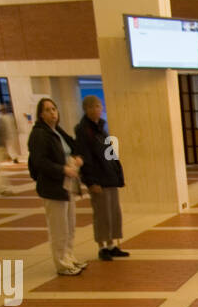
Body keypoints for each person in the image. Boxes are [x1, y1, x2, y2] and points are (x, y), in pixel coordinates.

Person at [27, 97, 87, 276]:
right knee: (58, 227)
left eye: (54, 109)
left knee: (70, 224)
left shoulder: (57, 131)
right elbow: (40, 161)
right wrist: (62, 169)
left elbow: (73, 146)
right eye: (47, 110)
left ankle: (69, 256)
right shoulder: (39, 134)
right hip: (53, 187)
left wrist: (77, 157)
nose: (52, 113)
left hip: (67, 186)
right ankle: (61, 262)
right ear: (40, 114)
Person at [74, 95, 129, 260]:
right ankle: (102, 246)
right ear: (86, 109)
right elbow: (85, 158)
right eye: (92, 107)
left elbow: (110, 153)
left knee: (113, 212)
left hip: (109, 176)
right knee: (101, 214)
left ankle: (112, 244)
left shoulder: (101, 128)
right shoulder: (84, 130)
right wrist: (91, 181)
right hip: (98, 179)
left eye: (98, 106)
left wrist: (118, 174)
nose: (96, 109)